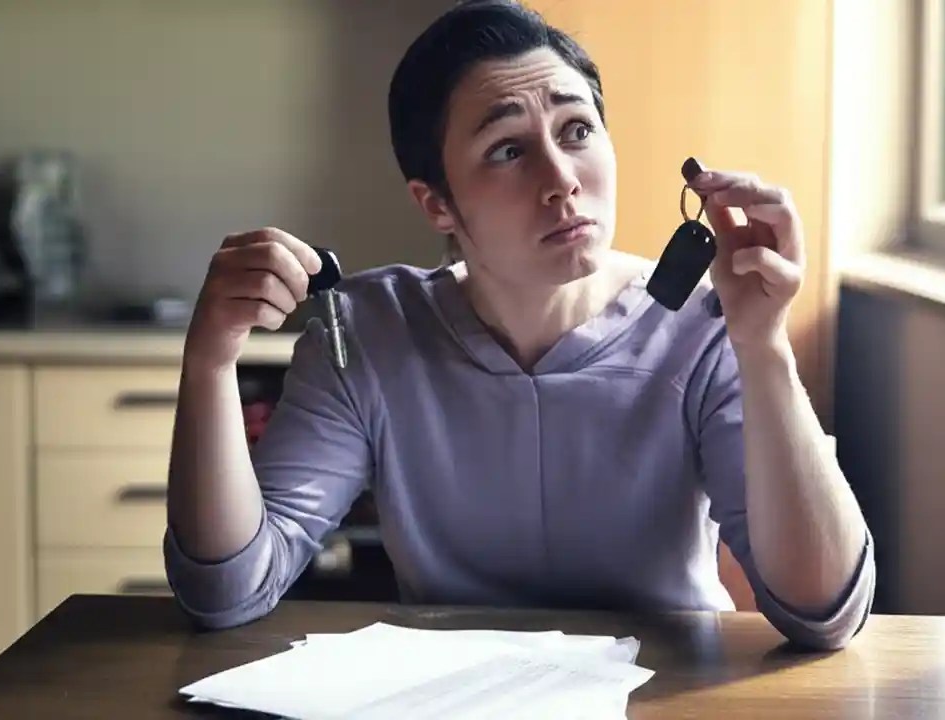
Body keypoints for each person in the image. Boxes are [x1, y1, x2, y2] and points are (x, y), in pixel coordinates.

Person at [164, 0, 874, 650]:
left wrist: (764, 345)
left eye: (577, 130)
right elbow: (229, 590)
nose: (562, 178)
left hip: (666, 698)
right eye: (508, 149)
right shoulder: (368, 334)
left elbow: (825, 613)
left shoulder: (703, 323)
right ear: (437, 203)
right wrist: (210, 364)